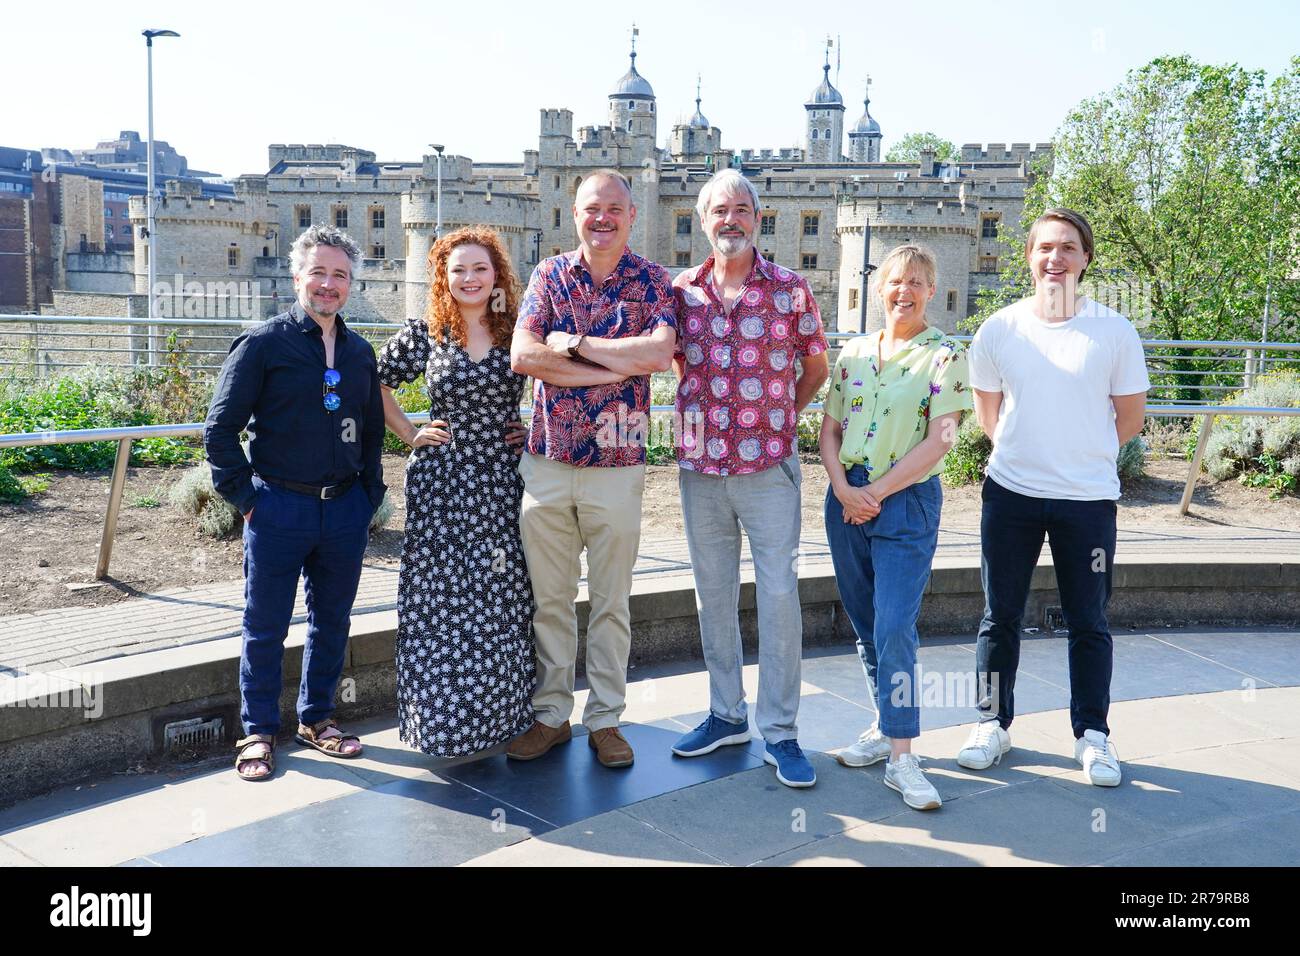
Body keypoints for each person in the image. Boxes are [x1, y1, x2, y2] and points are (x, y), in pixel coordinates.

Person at [959, 208, 1149, 787]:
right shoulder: (999, 329)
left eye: (1068, 247)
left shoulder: (1114, 330)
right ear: (1029, 257)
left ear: (1085, 259)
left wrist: (1077, 455)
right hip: (1010, 496)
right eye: (1045, 247)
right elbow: (988, 414)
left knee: (1089, 620)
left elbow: (1130, 420)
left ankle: (1093, 735)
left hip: (1087, 502)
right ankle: (992, 723)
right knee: (1000, 617)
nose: (1055, 258)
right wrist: (1031, 454)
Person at [508, 169, 677, 768]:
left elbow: (659, 352)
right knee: (550, 600)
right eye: (589, 208)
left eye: (613, 208)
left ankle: (606, 718)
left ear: (632, 215)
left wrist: (573, 345)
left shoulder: (654, 280)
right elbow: (525, 355)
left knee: (611, 601)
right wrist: (612, 368)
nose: (601, 218)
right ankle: (551, 714)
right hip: (548, 461)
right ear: (573, 214)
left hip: (618, 463)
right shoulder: (550, 274)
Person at [205, 224, 385, 781]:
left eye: (340, 275)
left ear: (350, 283)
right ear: (297, 276)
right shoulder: (263, 344)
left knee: (333, 620)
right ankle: (257, 732)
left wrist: (368, 496)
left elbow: (373, 430)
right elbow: (220, 430)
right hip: (278, 508)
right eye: (319, 273)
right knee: (265, 625)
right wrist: (247, 499)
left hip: (343, 513)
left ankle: (317, 719)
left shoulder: (359, 352)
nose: (329, 285)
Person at [666, 169, 828, 789]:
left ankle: (781, 731)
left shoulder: (789, 289)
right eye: (718, 210)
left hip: (768, 467)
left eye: (741, 209)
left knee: (780, 594)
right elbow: (667, 358)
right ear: (703, 221)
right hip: (701, 468)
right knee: (713, 593)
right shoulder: (682, 291)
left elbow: (815, 367)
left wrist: (780, 416)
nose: (729, 219)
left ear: (757, 219)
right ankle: (725, 714)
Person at [820, 243, 971, 810]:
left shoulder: (945, 356)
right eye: (894, 282)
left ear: (932, 291)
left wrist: (874, 494)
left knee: (894, 627)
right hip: (846, 499)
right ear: (878, 289)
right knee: (865, 625)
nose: (903, 292)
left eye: (916, 283)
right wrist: (842, 489)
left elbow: (942, 440)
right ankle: (885, 727)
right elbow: (829, 431)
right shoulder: (854, 354)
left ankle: (904, 758)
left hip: (903, 501)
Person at [377, 227, 533, 757]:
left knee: (500, 596)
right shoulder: (425, 332)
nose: (470, 278)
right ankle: (443, 724)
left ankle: (500, 717)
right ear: (443, 276)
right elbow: (373, 381)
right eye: (458, 269)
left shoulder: (517, 330)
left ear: (498, 276)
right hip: (442, 484)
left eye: (480, 269)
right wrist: (408, 432)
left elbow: (562, 381)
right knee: (440, 600)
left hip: (500, 480)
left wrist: (533, 431)